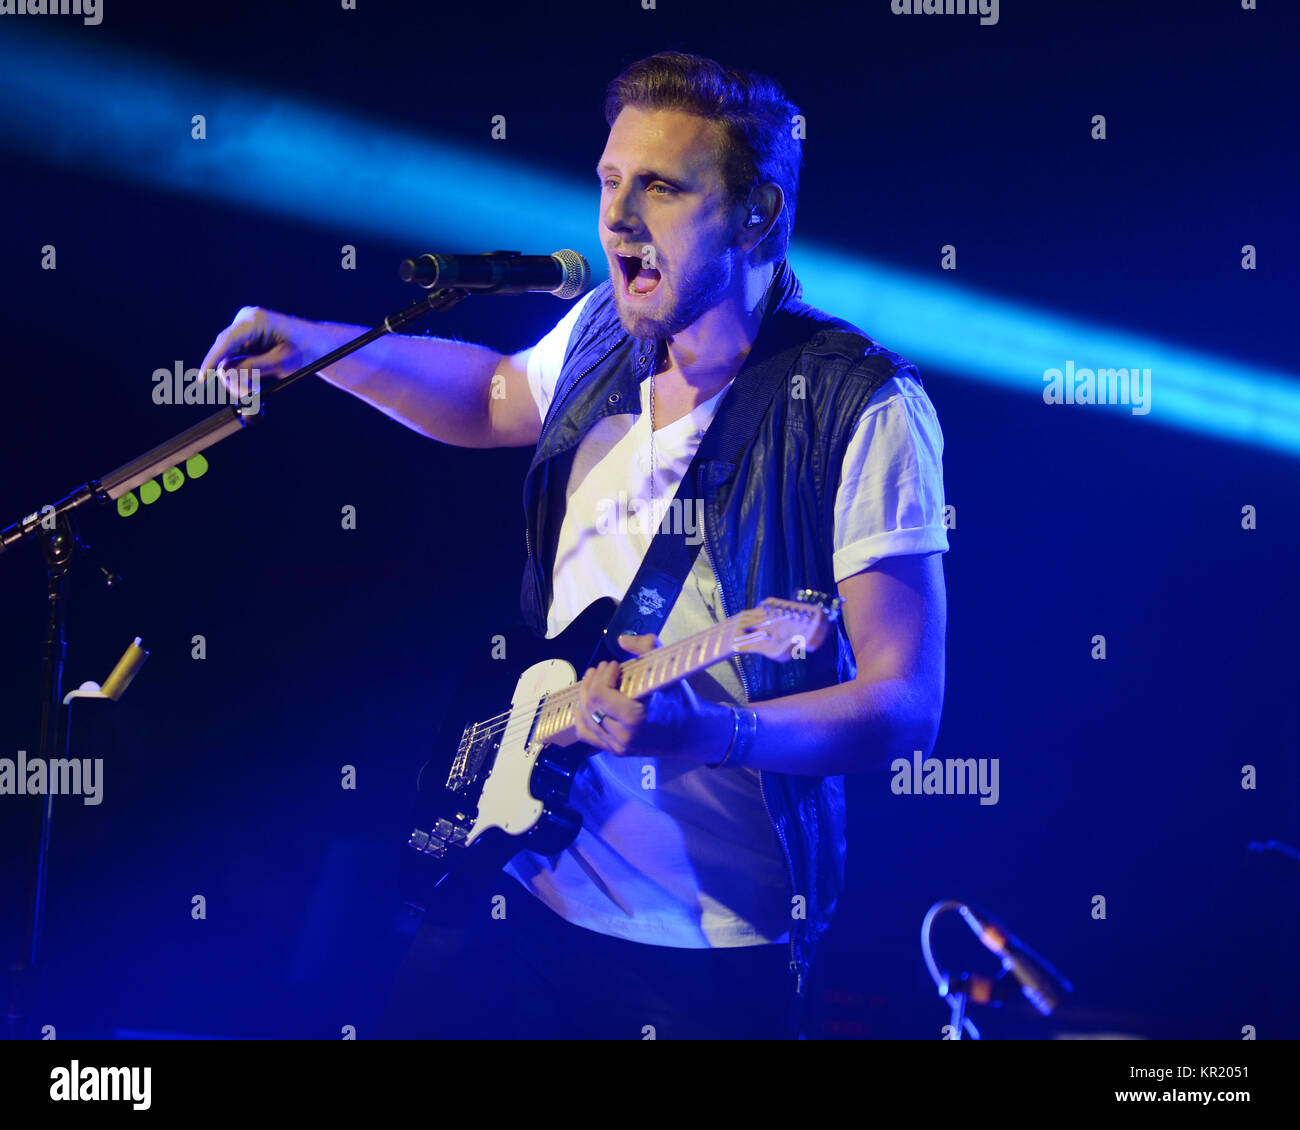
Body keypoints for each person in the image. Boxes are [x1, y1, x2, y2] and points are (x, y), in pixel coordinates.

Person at [200, 50, 948, 1039]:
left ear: (757, 213)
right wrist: (317, 346)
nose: (617, 218)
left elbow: (904, 705)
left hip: (696, 953)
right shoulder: (604, 328)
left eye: (661, 187)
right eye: (608, 180)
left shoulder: (860, 405)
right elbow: (494, 395)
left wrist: (710, 732)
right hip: (511, 874)